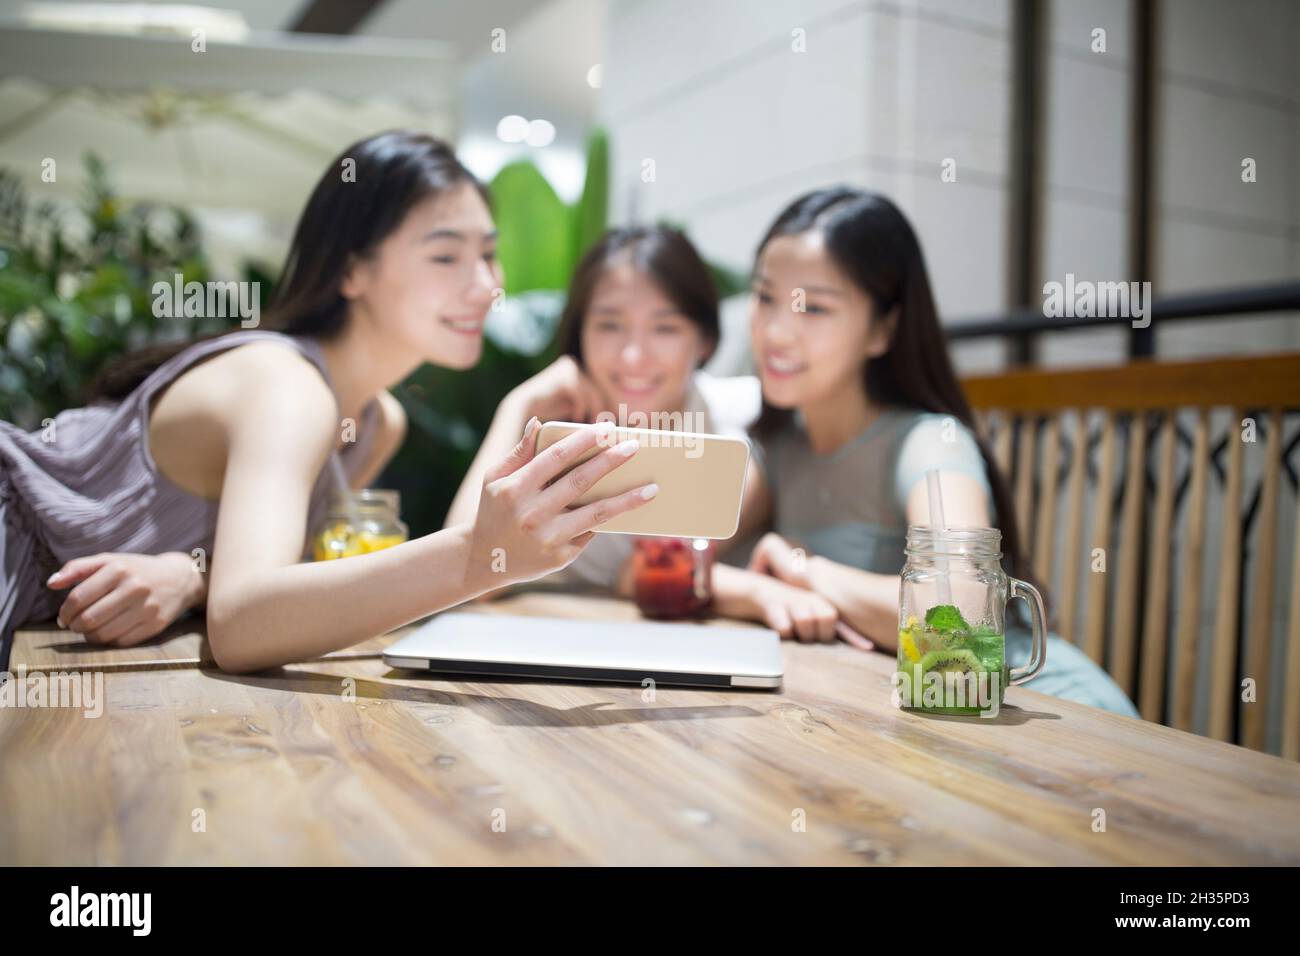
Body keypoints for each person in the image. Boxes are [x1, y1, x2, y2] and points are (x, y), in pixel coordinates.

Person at [0, 131, 655, 673]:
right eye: (446, 256)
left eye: (488, 255)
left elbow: (285, 586)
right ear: (352, 270)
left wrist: (191, 575)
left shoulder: (375, 421)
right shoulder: (288, 387)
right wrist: (482, 554)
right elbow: (243, 628)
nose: (486, 285)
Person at [740, 187, 1139, 716]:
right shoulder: (777, 448)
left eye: (813, 306)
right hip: (917, 722)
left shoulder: (930, 441)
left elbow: (959, 618)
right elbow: (663, 568)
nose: (776, 331)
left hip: (1040, 715)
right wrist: (764, 593)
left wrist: (808, 571)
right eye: (766, 297)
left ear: (883, 328)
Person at [446, 225, 843, 638]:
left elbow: (657, 567)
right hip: (566, 646)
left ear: (704, 341)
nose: (634, 356)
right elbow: (460, 576)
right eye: (609, 325)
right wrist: (517, 407)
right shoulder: (551, 437)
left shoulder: (746, 420)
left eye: (665, 328)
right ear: (578, 335)